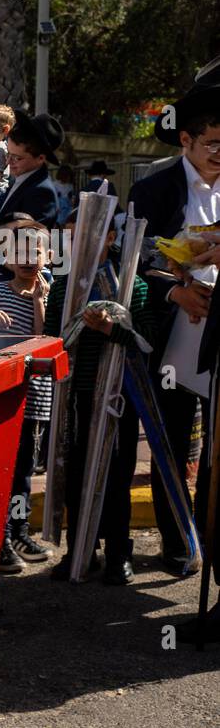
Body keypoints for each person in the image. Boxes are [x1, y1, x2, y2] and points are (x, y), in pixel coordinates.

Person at [134, 79, 220, 578]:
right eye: (212, 144)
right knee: (168, 436)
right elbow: (138, 255)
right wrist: (175, 290)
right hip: (175, 332)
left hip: (219, 330)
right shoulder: (154, 187)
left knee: (217, 444)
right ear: (185, 140)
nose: (219, 155)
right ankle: (178, 538)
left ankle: (210, 532)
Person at [44, 220, 152, 586]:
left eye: (89, 233)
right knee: (75, 476)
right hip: (76, 397)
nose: (79, 243)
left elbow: (146, 341)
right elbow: (50, 342)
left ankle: (120, 553)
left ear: (109, 237)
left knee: (117, 475)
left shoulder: (133, 286)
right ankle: (81, 551)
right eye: (73, 236)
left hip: (118, 397)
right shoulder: (62, 289)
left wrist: (110, 328)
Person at [0, 219, 53, 572]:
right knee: (0, 465)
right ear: (5, 256)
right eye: (18, 251)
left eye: (34, 251)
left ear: (47, 256)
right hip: (1, 392)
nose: (26, 259)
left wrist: (39, 302)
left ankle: (18, 530)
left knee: (24, 469)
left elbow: (44, 339)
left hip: (35, 394)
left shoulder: (49, 292)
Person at [0, 112, 64, 228]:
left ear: (40, 158)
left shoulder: (42, 193)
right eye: (8, 154)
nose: (8, 162)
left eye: (17, 158)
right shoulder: (18, 177)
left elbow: (27, 240)